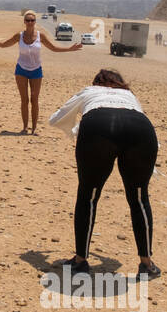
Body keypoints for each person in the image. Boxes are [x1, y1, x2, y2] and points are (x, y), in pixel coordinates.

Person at [48, 69, 160, 279]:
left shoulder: (90, 91)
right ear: (120, 83)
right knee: (138, 197)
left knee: (88, 195)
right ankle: (146, 264)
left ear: (97, 82)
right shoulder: (129, 95)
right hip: (140, 128)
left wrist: (76, 129)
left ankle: (80, 260)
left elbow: (57, 118)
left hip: (97, 125)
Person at [0, 10, 83, 134]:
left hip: (36, 70)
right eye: (28, 20)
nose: (30, 22)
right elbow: (3, 45)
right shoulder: (19, 36)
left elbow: (53, 48)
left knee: (34, 100)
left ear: (35, 22)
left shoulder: (41, 36)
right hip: (21, 70)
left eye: (32, 20)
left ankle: (34, 128)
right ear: (24, 22)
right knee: (24, 100)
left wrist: (69, 49)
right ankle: (25, 127)